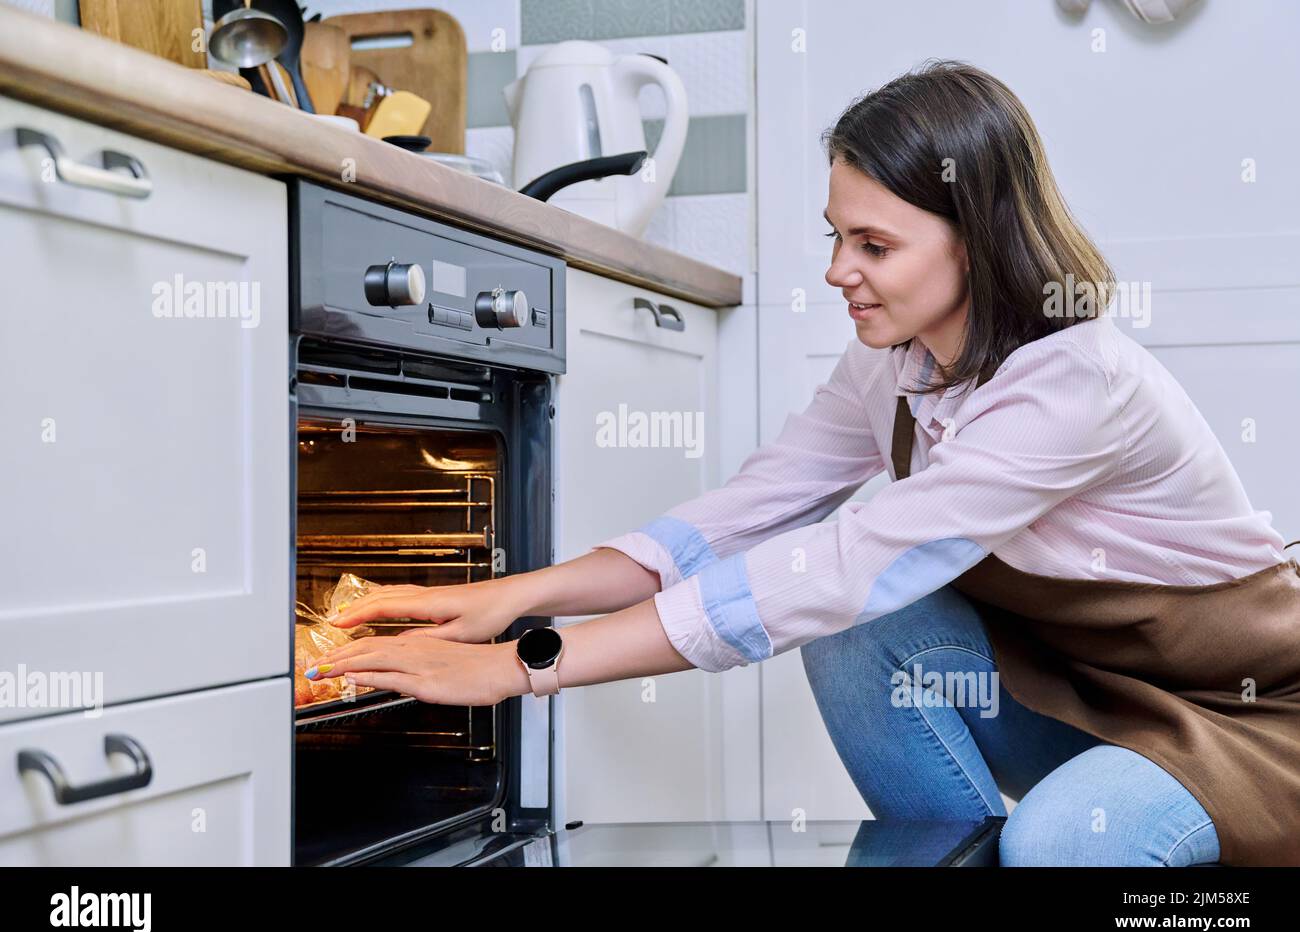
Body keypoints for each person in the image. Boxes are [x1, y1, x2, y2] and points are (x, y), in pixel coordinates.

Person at [305, 60, 1300, 867]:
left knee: (1059, 843)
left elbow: (836, 566)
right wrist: (508, 598)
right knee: (861, 637)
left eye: (873, 243)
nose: (836, 271)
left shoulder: (1074, 386)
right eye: (835, 236)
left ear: (979, 243)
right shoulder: (894, 361)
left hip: (1250, 726)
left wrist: (522, 668)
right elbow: (740, 518)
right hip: (1086, 699)